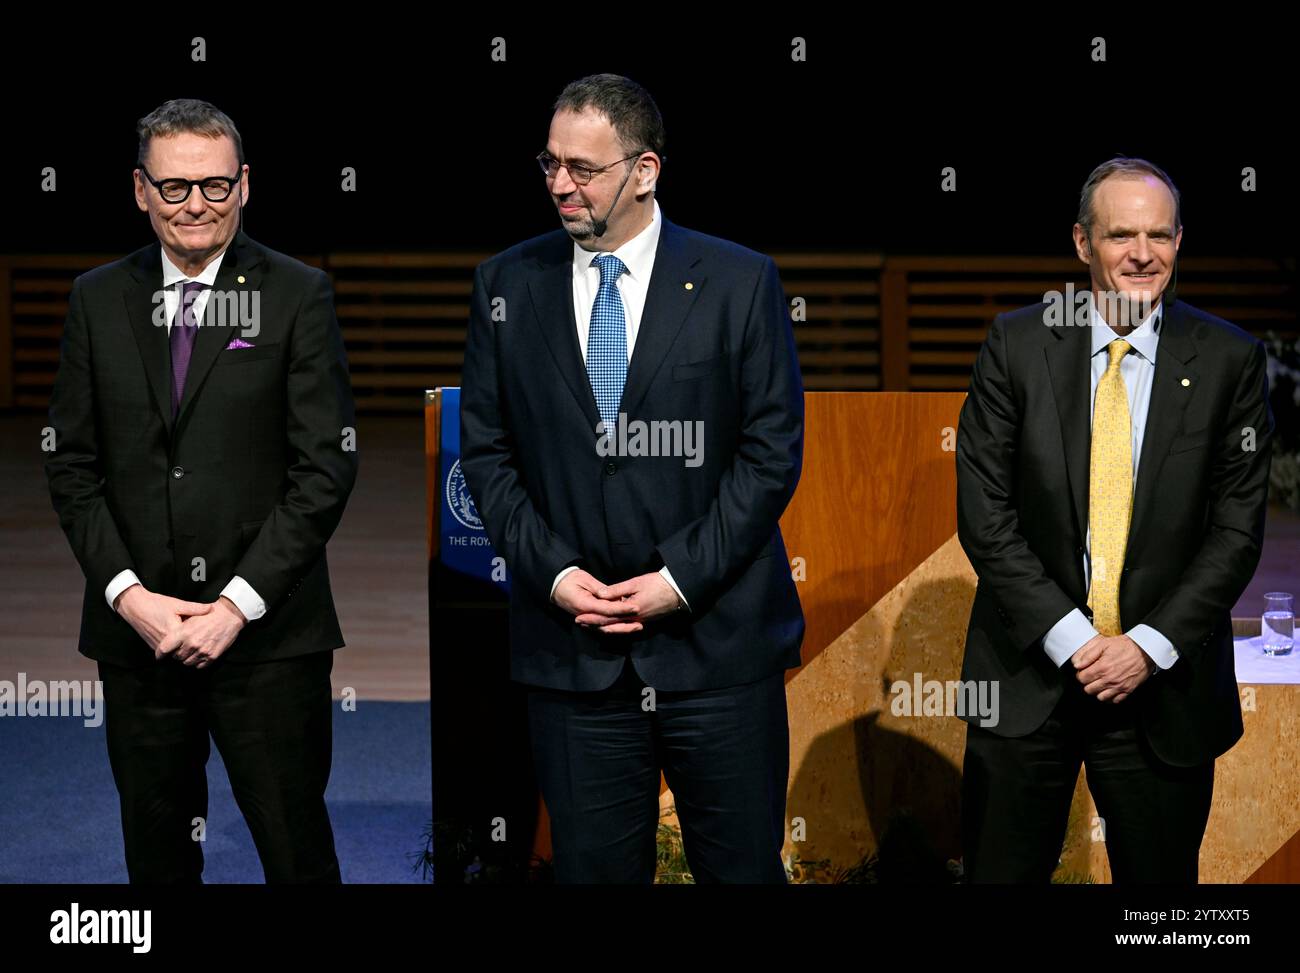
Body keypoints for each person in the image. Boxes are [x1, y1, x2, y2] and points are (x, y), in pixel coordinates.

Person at [459, 74, 805, 883]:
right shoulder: (506, 284)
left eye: (583, 168)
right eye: (549, 163)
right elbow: (487, 453)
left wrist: (677, 580)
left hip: (716, 650)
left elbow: (770, 453)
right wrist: (556, 575)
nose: (560, 184)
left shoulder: (739, 281)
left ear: (645, 170)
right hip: (573, 656)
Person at [44, 98, 358, 883]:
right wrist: (128, 596)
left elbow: (324, 468)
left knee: (297, 855)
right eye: (175, 187)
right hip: (139, 640)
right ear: (140, 189)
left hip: (268, 639)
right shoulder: (96, 298)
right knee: (156, 862)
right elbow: (71, 465)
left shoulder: (298, 294)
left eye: (215, 186)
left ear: (244, 184)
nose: (196, 205)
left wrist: (235, 606)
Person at [956, 157, 1273, 882]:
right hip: (1029, 676)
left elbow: (1235, 533)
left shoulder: (1230, 360)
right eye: (1121, 234)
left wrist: (1146, 647)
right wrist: (1074, 640)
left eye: (1159, 235)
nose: (1141, 253)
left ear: (1179, 241)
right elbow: (985, 515)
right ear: (1081, 242)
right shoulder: (1016, 344)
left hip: (1162, 688)